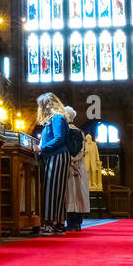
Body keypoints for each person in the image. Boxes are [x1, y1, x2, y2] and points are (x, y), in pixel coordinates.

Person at [36, 92, 70, 235]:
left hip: (57, 156)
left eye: (40, 106)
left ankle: (50, 223)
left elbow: (58, 138)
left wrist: (41, 148)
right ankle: (59, 223)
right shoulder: (55, 118)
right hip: (56, 156)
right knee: (57, 190)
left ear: (46, 106)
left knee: (52, 190)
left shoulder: (56, 117)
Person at [63, 106, 90, 231]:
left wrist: (70, 162)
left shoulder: (64, 132)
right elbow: (82, 151)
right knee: (79, 195)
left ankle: (71, 223)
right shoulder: (80, 132)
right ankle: (78, 223)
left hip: (68, 167)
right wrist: (76, 162)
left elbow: (64, 150)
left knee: (69, 195)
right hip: (79, 167)